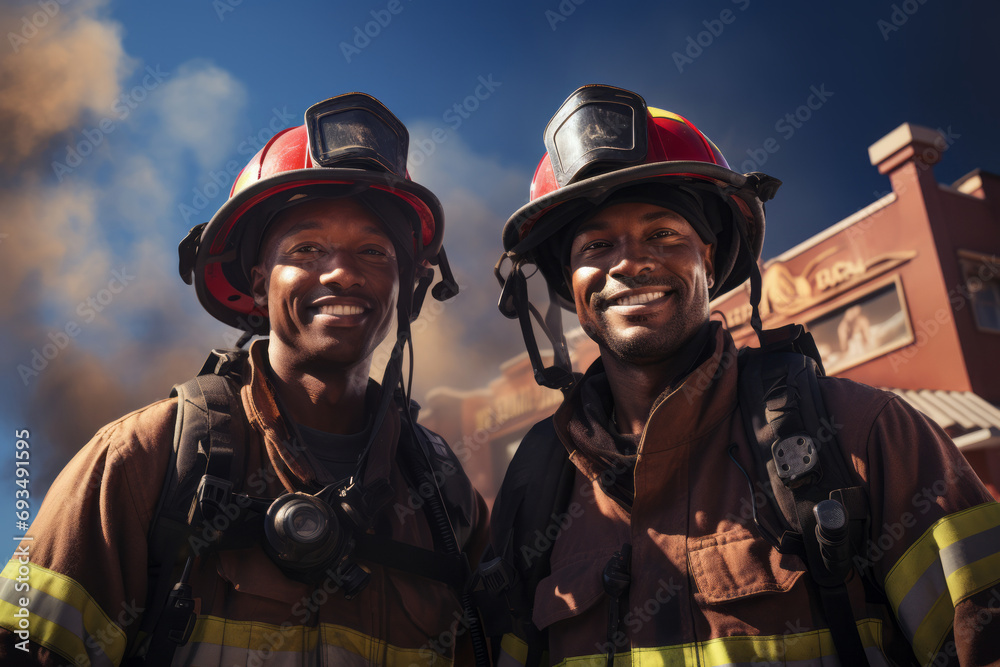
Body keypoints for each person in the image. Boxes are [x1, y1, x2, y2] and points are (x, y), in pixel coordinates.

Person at [483, 84, 1000, 666]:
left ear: (708, 259)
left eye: (662, 233)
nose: (628, 262)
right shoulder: (537, 483)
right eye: (597, 244)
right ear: (570, 285)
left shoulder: (865, 435)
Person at [0, 93, 490, 666]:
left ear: (407, 288)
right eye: (307, 248)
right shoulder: (144, 458)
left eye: (373, 251)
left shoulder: (447, 500)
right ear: (259, 284)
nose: (342, 272)